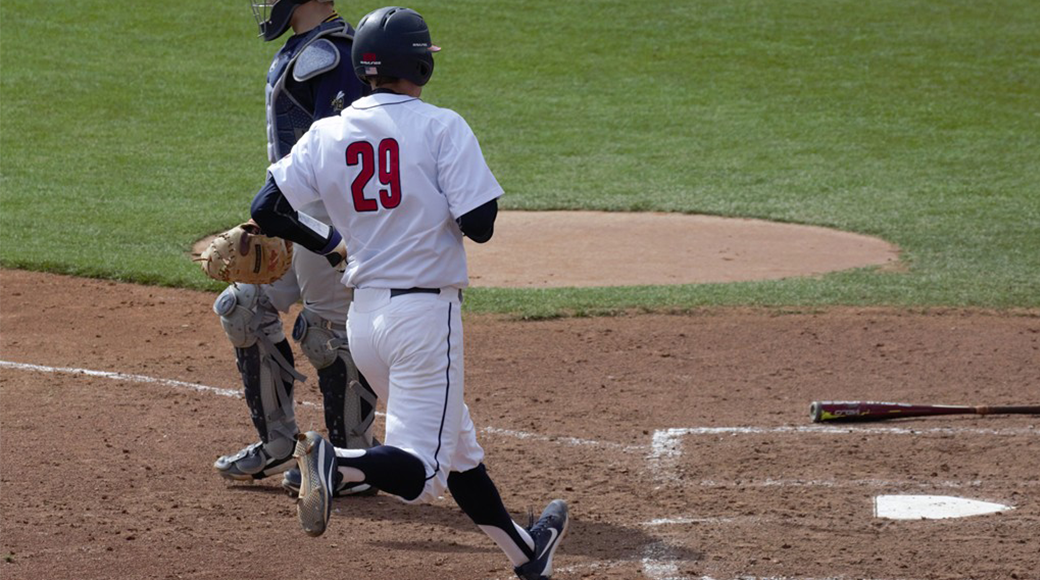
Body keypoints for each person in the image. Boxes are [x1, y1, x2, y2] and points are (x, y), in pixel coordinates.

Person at [249, 7, 569, 579]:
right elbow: (482, 224)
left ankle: (528, 553)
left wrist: (328, 241)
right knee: (421, 474)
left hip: (365, 322)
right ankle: (335, 460)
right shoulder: (442, 125)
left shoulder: (329, 132)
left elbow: (266, 207)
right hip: (424, 319)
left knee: (460, 451)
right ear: (418, 62)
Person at [212, 0, 379, 497]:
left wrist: (332, 234)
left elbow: (350, 151)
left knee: (326, 336)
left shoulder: (333, 57)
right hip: (295, 215)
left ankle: (354, 463)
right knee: (242, 306)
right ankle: (278, 442)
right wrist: (274, 214)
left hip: (329, 220)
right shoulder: (303, 50)